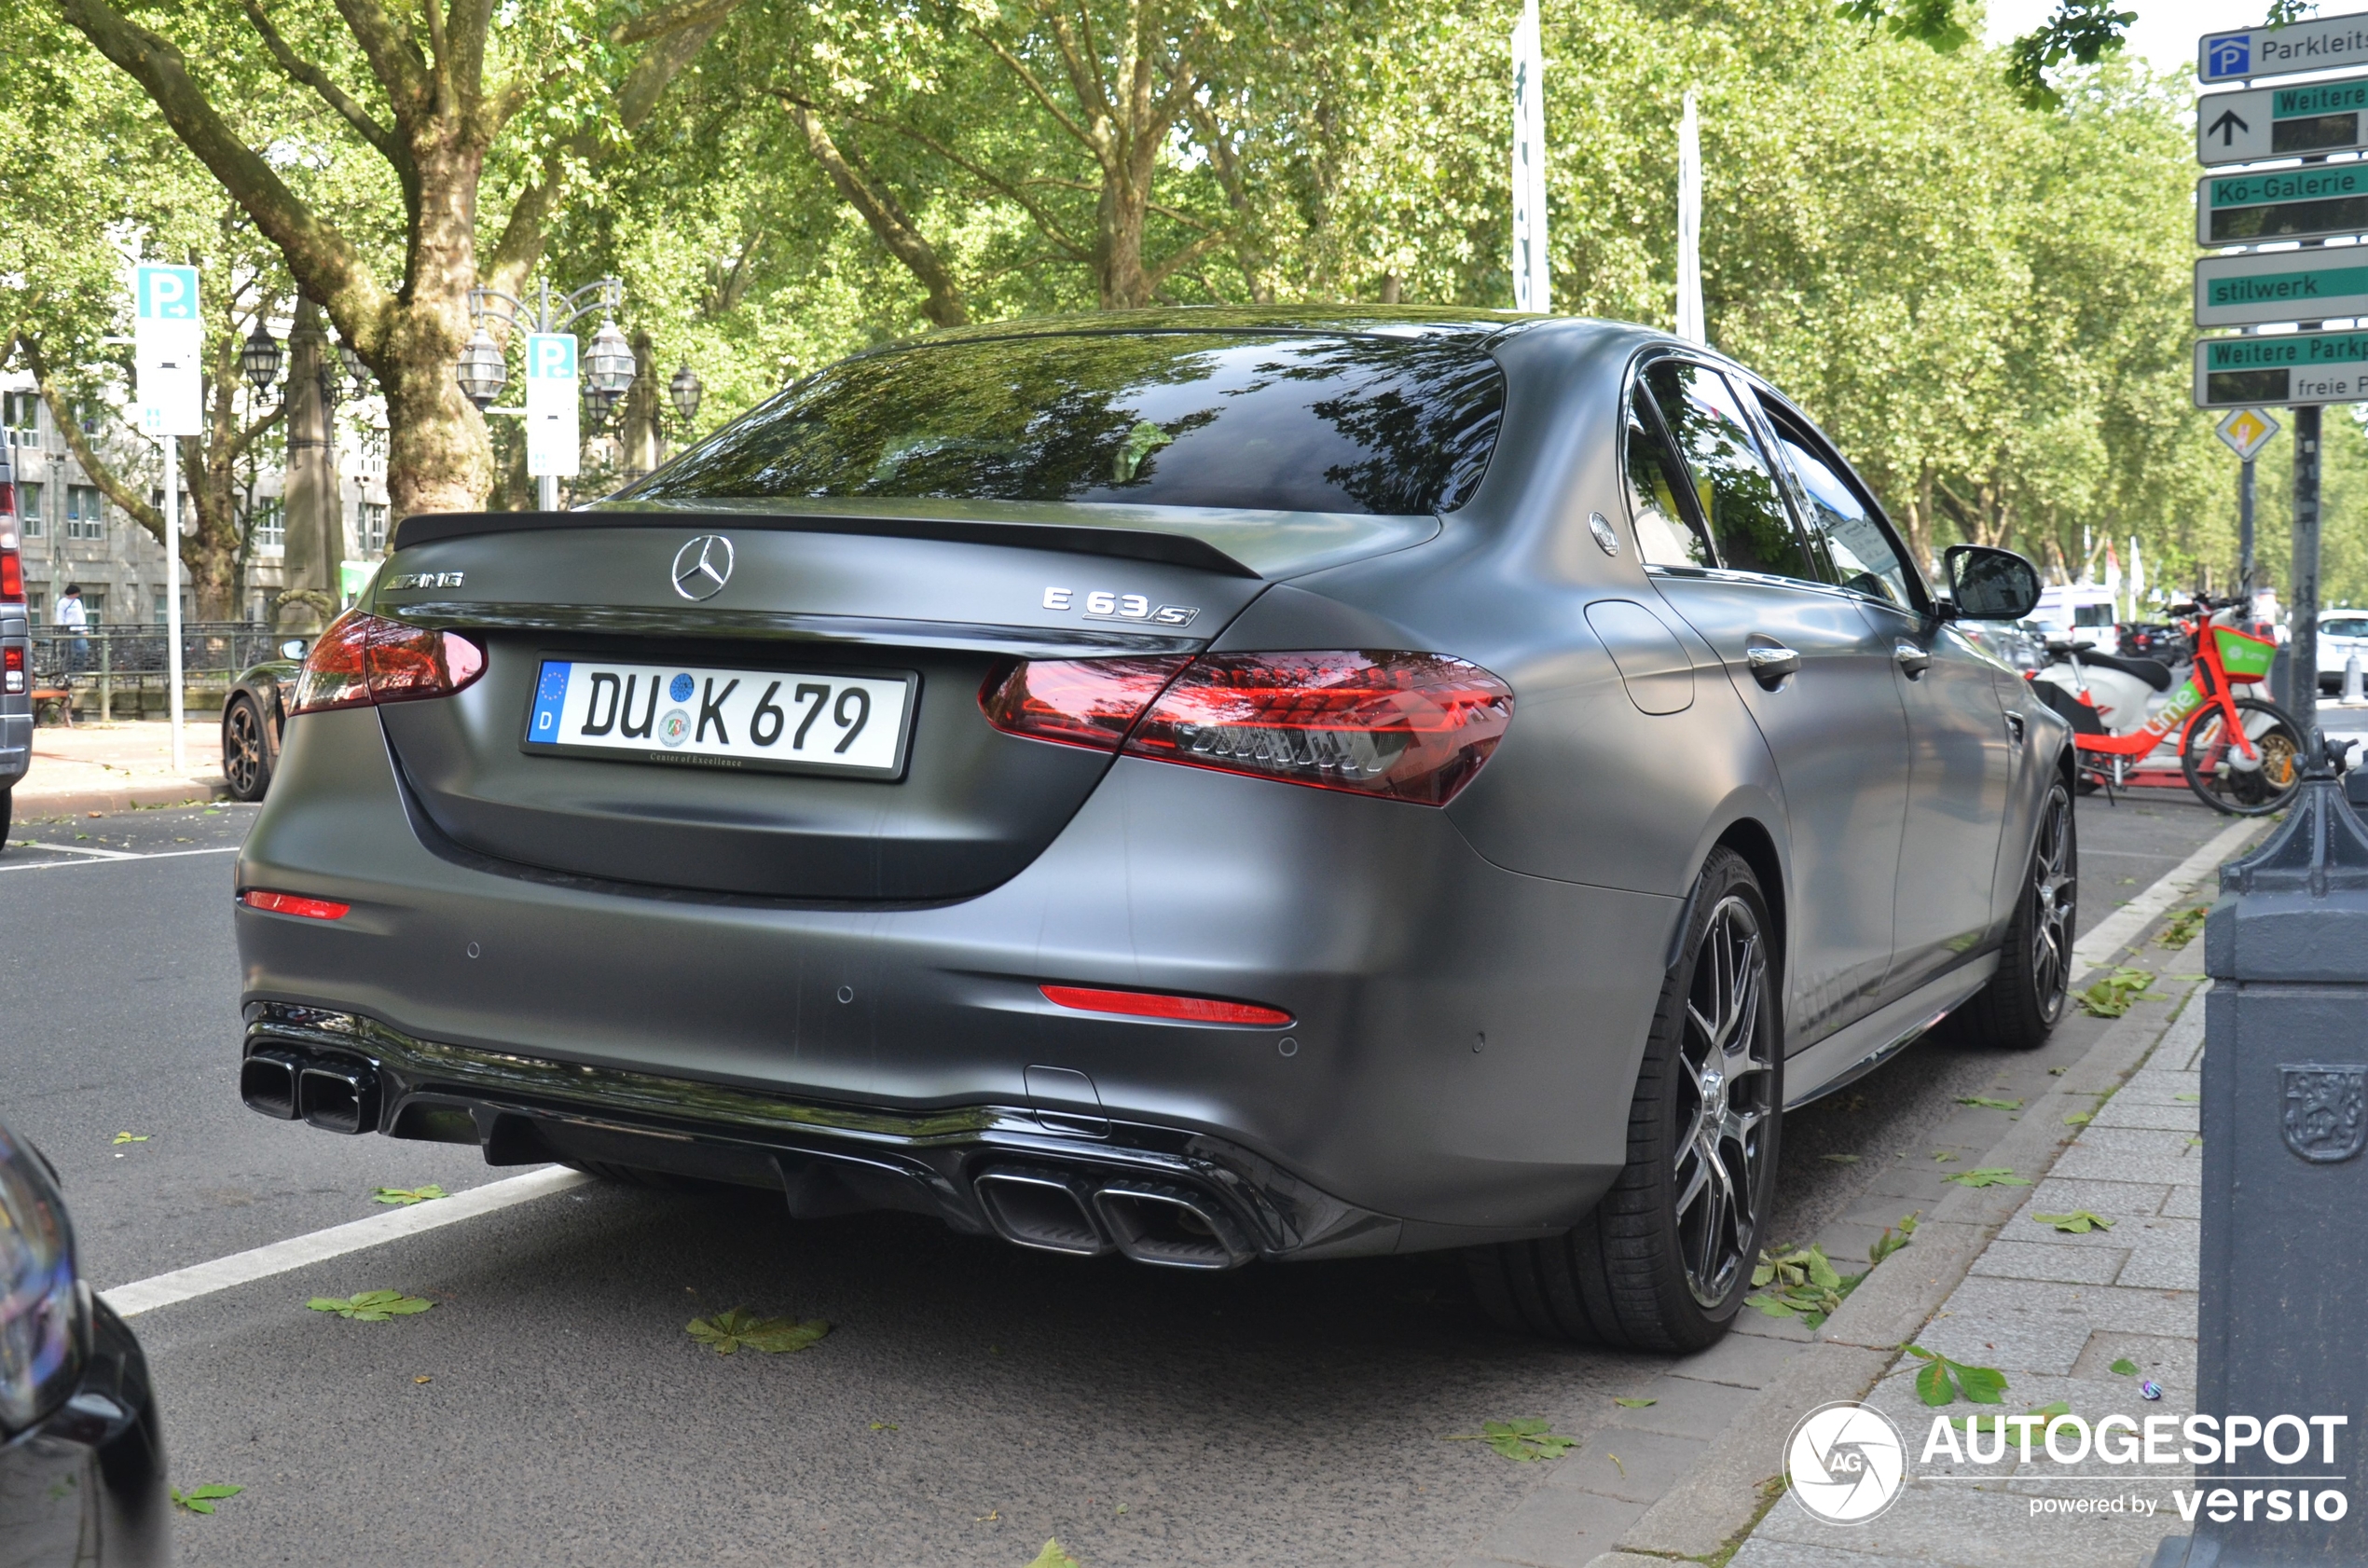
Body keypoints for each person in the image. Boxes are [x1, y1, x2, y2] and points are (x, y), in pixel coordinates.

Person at [55, 583, 88, 675]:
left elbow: (81, 616)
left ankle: (78, 670)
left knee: (82, 650)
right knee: (69, 652)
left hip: (79, 630)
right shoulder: (62, 602)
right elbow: (60, 616)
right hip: (69, 630)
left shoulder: (78, 602)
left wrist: (85, 628)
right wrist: (62, 628)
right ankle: (69, 671)